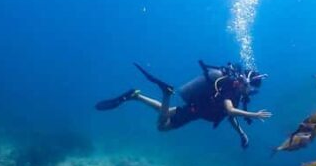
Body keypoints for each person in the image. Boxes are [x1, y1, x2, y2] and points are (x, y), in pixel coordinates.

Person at [95, 60, 272, 148]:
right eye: (251, 89)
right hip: (195, 112)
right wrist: (254, 115)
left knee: (161, 110)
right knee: (162, 127)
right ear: (245, 83)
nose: (251, 93)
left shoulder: (234, 91)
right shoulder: (230, 90)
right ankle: (166, 94)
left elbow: (227, 116)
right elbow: (229, 110)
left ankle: (135, 96)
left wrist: (241, 133)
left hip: (196, 106)